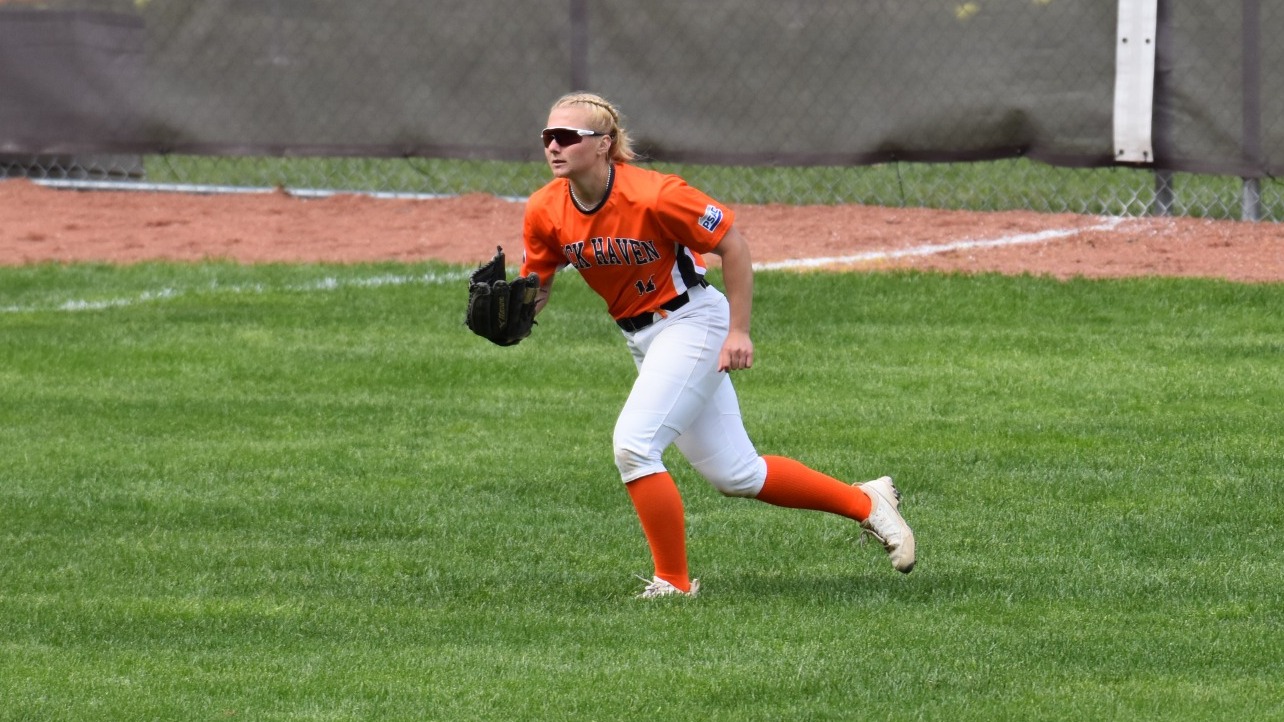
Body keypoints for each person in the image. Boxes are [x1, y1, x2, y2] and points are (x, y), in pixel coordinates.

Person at [519, 92, 915, 598]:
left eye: (567, 137)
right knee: (737, 473)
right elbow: (540, 282)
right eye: (548, 136)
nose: (554, 146)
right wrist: (518, 312)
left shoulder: (656, 194)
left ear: (603, 145)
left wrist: (739, 331)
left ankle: (673, 582)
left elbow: (732, 243)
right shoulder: (544, 208)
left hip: (692, 322)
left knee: (635, 447)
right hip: (643, 337)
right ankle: (868, 503)